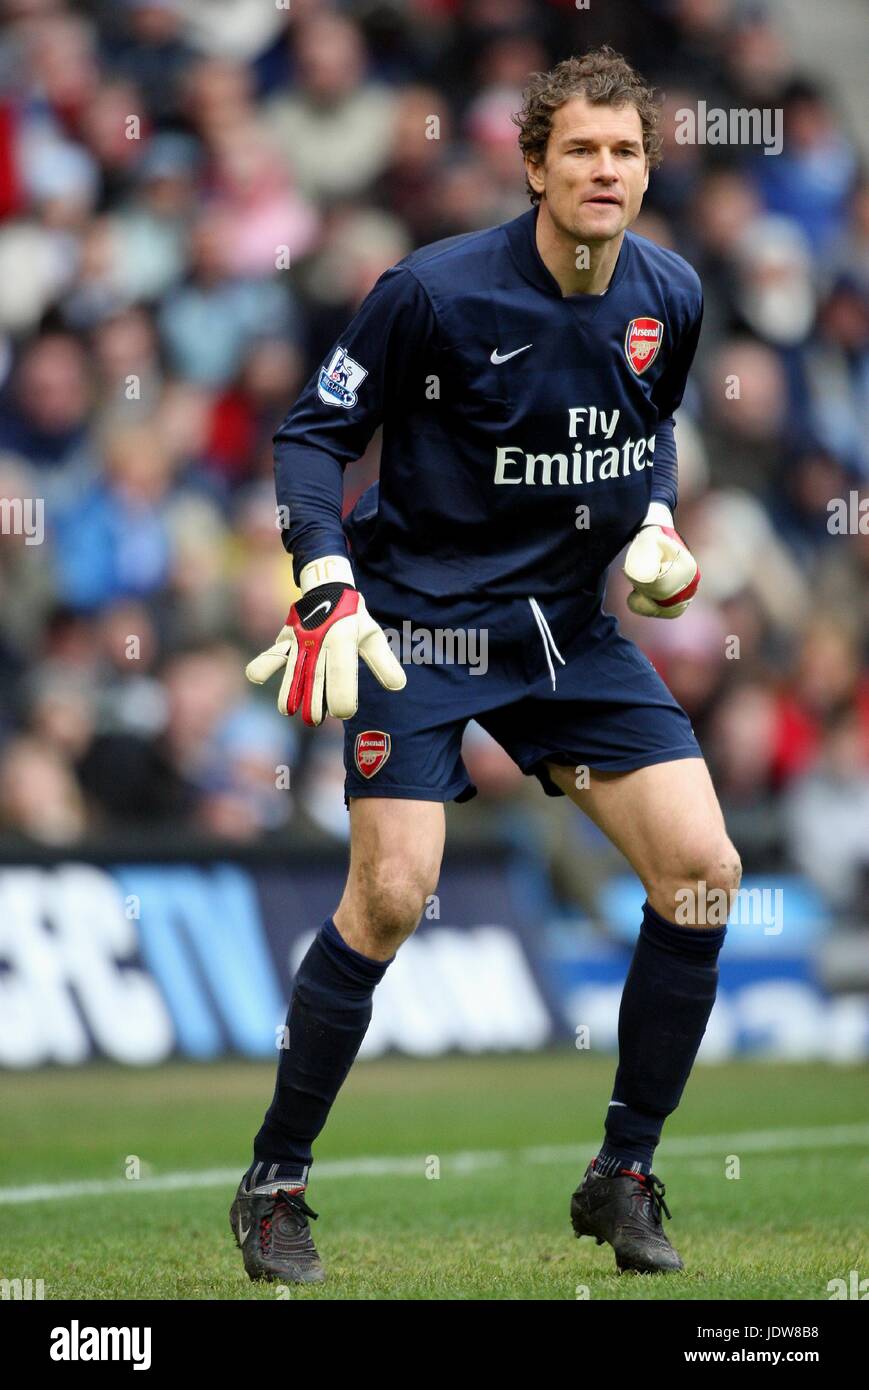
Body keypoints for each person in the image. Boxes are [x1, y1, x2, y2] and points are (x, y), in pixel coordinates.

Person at [230, 46, 741, 1284]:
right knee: (393, 892)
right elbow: (312, 436)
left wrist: (656, 524)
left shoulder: (668, 295)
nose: (603, 169)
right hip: (416, 630)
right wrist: (326, 577)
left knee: (704, 874)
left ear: (646, 169)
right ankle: (274, 1182)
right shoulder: (433, 292)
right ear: (531, 164)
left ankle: (621, 1174)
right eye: (579, 149)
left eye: (623, 151)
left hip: (567, 631)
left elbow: (647, 432)